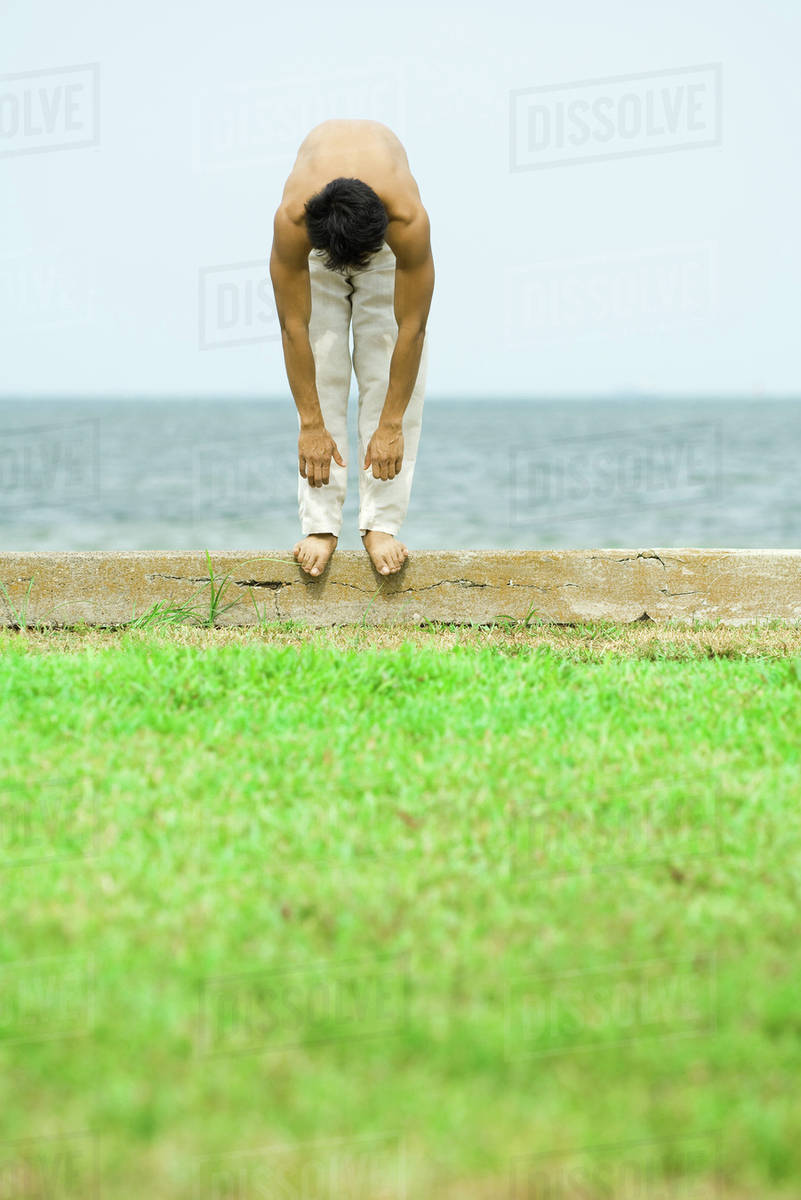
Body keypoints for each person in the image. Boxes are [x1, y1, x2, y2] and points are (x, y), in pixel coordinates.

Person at [269, 119, 434, 577]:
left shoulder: (407, 222)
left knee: (387, 368)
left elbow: (412, 329)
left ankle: (381, 523)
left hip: (382, 249)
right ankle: (320, 525)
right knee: (322, 365)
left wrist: (391, 425)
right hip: (321, 243)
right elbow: (293, 327)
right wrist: (310, 424)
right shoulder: (294, 221)